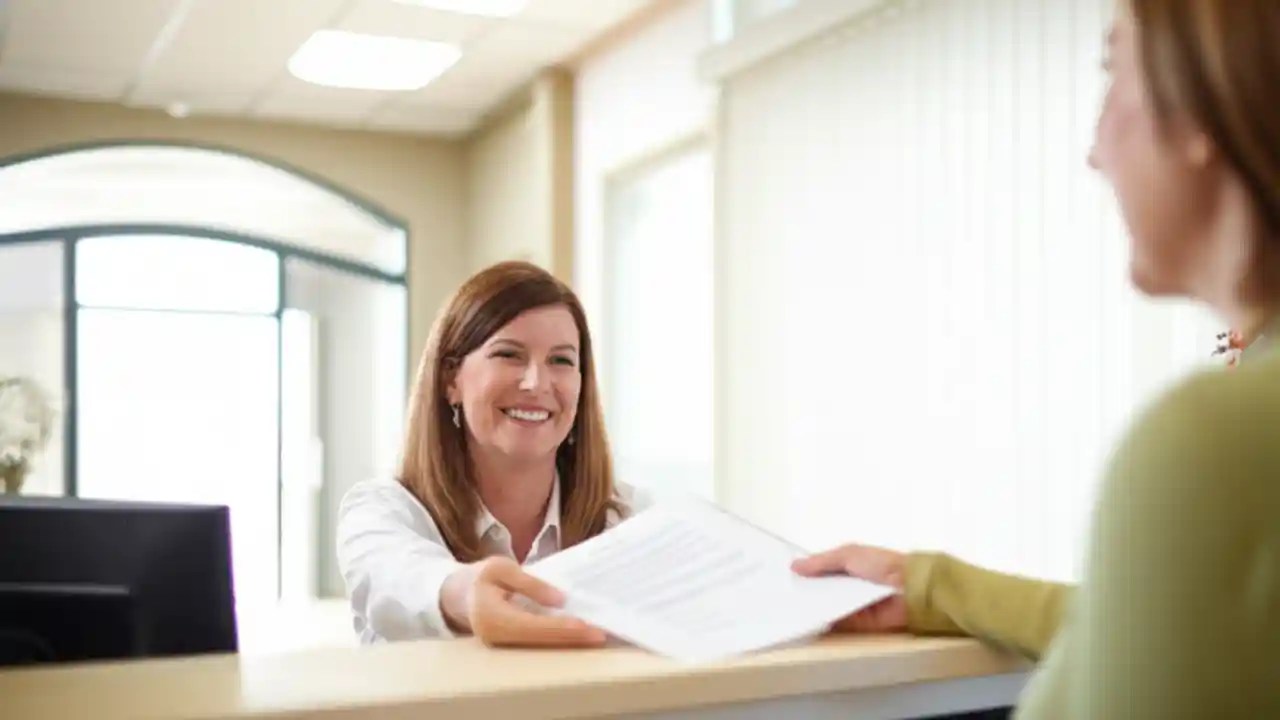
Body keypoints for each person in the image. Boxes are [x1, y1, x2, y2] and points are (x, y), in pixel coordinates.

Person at [797, 0, 1280, 716]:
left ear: (1202, 100)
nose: (1095, 150)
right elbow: (1159, 633)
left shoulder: (1217, 439)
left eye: (1114, 71)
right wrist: (926, 585)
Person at [337, 261, 650, 646]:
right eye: (509, 355)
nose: (537, 383)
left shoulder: (631, 517)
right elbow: (397, 577)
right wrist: (466, 594)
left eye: (561, 360)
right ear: (451, 379)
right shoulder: (381, 511)